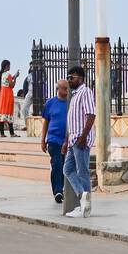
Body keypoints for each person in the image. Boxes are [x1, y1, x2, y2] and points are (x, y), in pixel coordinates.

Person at [62, 66, 96, 219]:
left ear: (81, 78)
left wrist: (83, 136)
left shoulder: (86, 92)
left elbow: (91, 115)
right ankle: (83, 197)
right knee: (67, 169)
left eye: (72, 77)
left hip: (80, 140)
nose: (69, 80)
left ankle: (84, 208)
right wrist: (66, 141)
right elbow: (73, 121)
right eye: (68, 77)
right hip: (72, 140)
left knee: (83, 173)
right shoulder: (74, 95)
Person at [39, 80, 69, 204]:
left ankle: (62, 188)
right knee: (56, 164)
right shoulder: (50, 103)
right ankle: (57, 190)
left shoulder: (71, 103)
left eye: (67, 89)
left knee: (64, 165)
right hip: (53, 139)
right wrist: (43, 140)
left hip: (67, 140)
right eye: (65, 89)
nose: (67, 91)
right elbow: (46, 122)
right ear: (58, 89)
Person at [0, 60, 19, 138]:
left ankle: (2, 133)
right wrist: (15, 78)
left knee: (2, 113)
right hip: (8, 95)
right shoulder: (8, 74)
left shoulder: (0, 75)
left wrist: (13, 76)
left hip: (2, 96)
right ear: (7, 66)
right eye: (9, 65)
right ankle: (11, 133)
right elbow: (11, 85)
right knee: (9, 112)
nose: (10, 67)